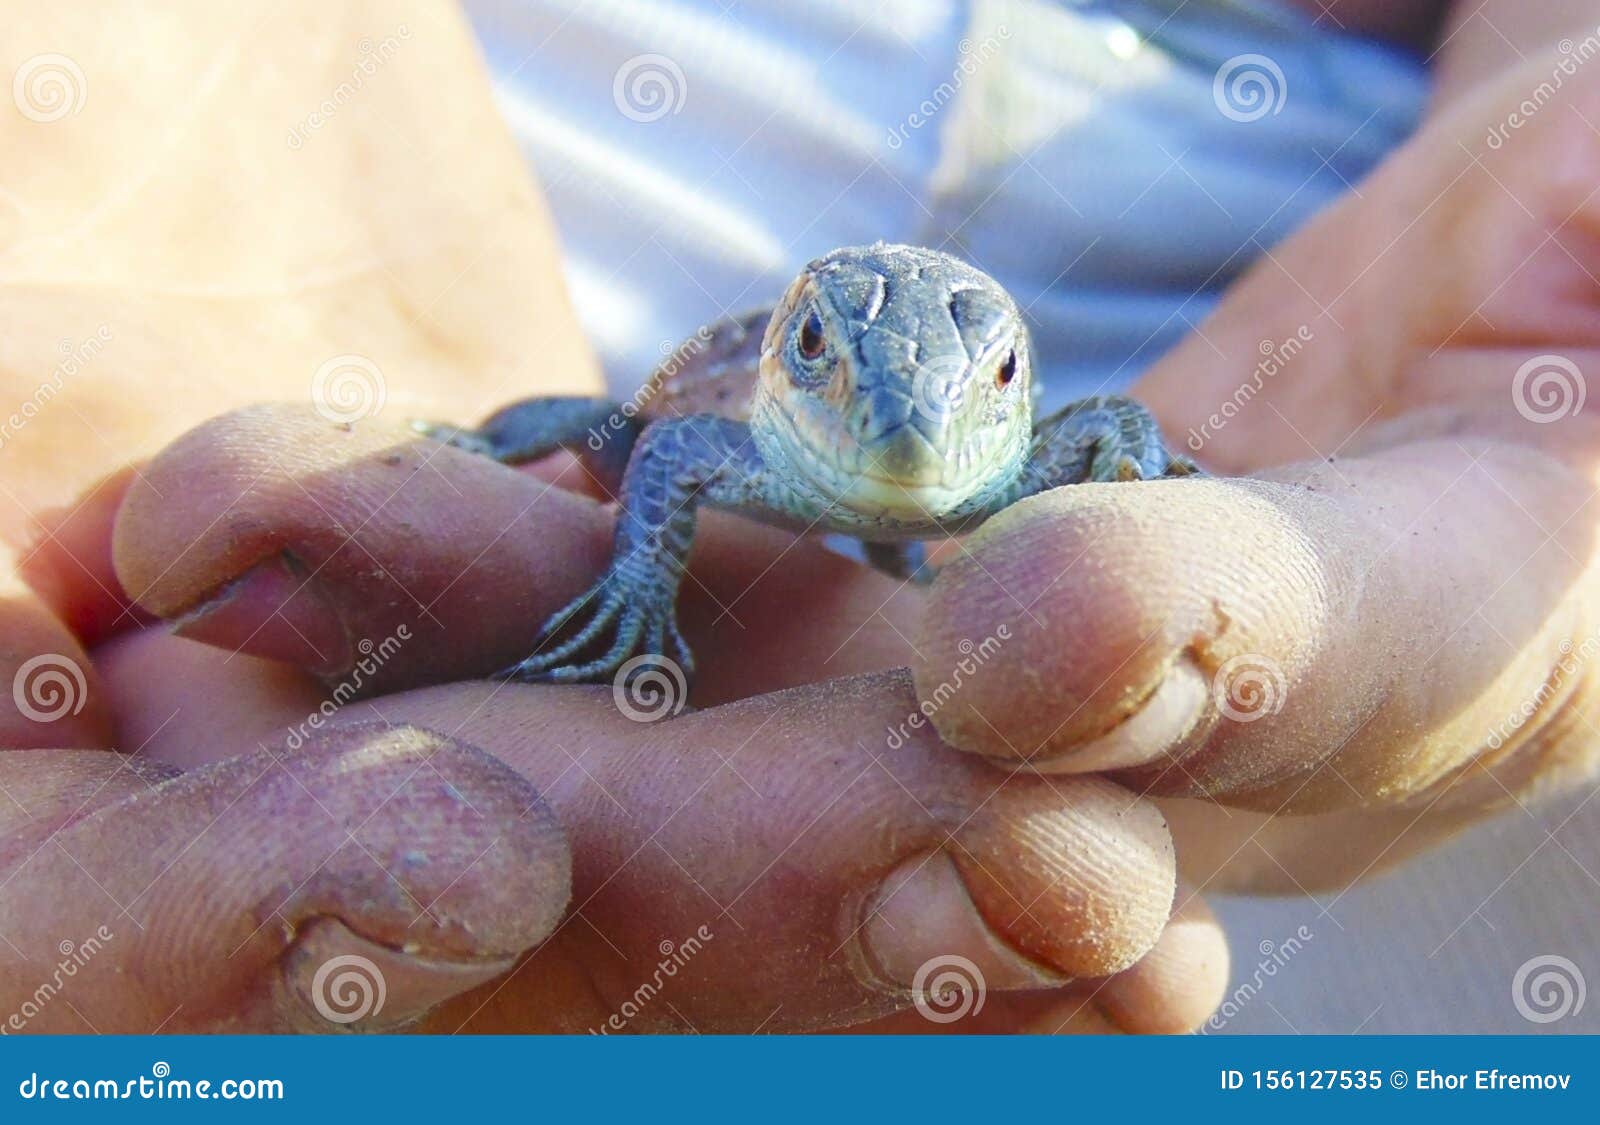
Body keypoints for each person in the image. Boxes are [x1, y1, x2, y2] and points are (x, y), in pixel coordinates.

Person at [1, 0, 1595, 1032]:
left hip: (1278, 241)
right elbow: (672, 465)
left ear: (1004, 377)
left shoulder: (1027, 428)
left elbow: (1106, 427)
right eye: (838, 368)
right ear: (803, 361)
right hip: (535, 258)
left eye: (966, 393)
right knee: (568, 449)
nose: (907, 422)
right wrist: (637, 587)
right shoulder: (740, 440)